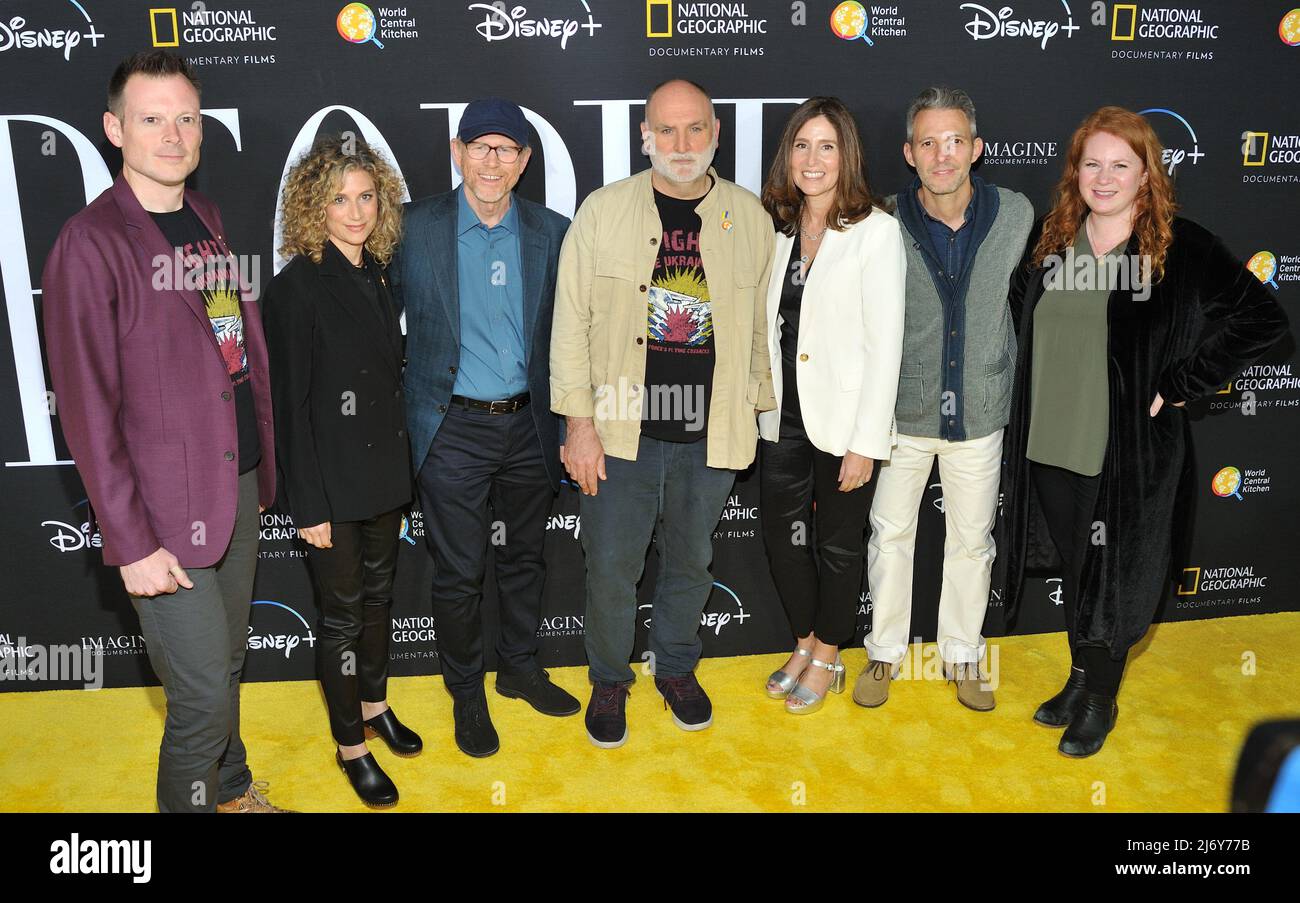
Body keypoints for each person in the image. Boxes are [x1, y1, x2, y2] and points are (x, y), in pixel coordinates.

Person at [42, 51, 287, 812]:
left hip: (237, 485)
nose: (173, 134)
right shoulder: (91, 243)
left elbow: (227, 352)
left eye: (186, 117)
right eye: (152, 118)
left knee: (227, 664)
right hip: (161, 518)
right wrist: (131, 542)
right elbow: (85, 409)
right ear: (116, 128)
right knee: (202, 697)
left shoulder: (205, 217)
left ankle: (235, 792)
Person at [1004, 106, 1288, 757]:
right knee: (1081, 572)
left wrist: (1183, 380)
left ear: (1146, 173)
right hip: (1050, 442)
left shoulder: (1178, 248)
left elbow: (1263, 319)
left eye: (1120, 165)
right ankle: (1081, 676)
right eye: (1092, 163)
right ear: (1076, 171)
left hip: (1127, 454)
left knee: (1116, 577)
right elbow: (1026, 330)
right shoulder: (1053, 246)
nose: (1104, 177)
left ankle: (1101, 696)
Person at [552, 78, 776, 748]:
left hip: (712, 432)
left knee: (691, 561)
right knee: (612, 564)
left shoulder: (749, 217)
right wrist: (578, 424)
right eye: (667, 131)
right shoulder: (603, 212)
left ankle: (676, 667)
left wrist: (760, 414)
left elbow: (761, 332)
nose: (682, 144)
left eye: (695, 129)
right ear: (644, 136)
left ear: (715, 134)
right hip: (622, 430)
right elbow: (570, 325)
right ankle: (610, 678)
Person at [388, 98, 577, 759]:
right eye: (480, 146)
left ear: (525, 161)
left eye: (507, 150)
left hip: (529, 424)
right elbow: (374, 326)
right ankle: (466, 692)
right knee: (460, 572)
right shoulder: (412, 230)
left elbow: (576, 334)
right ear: (456, 151)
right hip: (451, 429)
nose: (492, 161)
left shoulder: (554, 232)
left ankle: (520, 667)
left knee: (526, 558)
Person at [857, 86, 1033, 712]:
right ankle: (884, 653)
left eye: (955, 140)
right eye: (928, 142)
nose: (942, 154)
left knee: (972, 541)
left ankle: (962, 656)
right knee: (890, 535)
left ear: (976, 148)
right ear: (909, 153)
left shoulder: (1015, 214)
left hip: (981, 409)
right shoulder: (880, 221)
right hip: (903, 411)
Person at [262, 136, 419, 808]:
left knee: (381, 603)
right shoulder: (296, 287)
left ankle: (376, 704)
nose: (355, 211)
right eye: (338, 199)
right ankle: (350, 743)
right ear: (312, 207)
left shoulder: (377, 269)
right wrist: (309, 505)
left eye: (364, 196)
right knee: (342, 617)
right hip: (331, 486)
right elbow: (290, 407)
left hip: (384, 477)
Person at [757, 97, 906, 714]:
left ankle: (828, 652)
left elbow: (886, 343)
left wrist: (867, 441)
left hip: (844, 422)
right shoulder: (778, 228)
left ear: (847, 155)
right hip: (780, 416)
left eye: (826, 147)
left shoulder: (876, 231)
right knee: (781, 538)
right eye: (801, 146)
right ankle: (803, 639)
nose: (812, 160)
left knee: (838, 547)